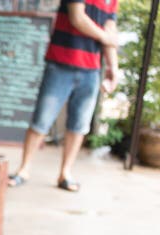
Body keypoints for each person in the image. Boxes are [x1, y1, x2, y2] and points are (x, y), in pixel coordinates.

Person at [9, 0, 119, 192]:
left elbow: (110, 33)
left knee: (79, 126)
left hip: (91, 71)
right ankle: (23, 169)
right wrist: (106, 37)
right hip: (60, 63)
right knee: (41, 121)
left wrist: (114, 68)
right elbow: (78, 18)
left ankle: (65, 173)